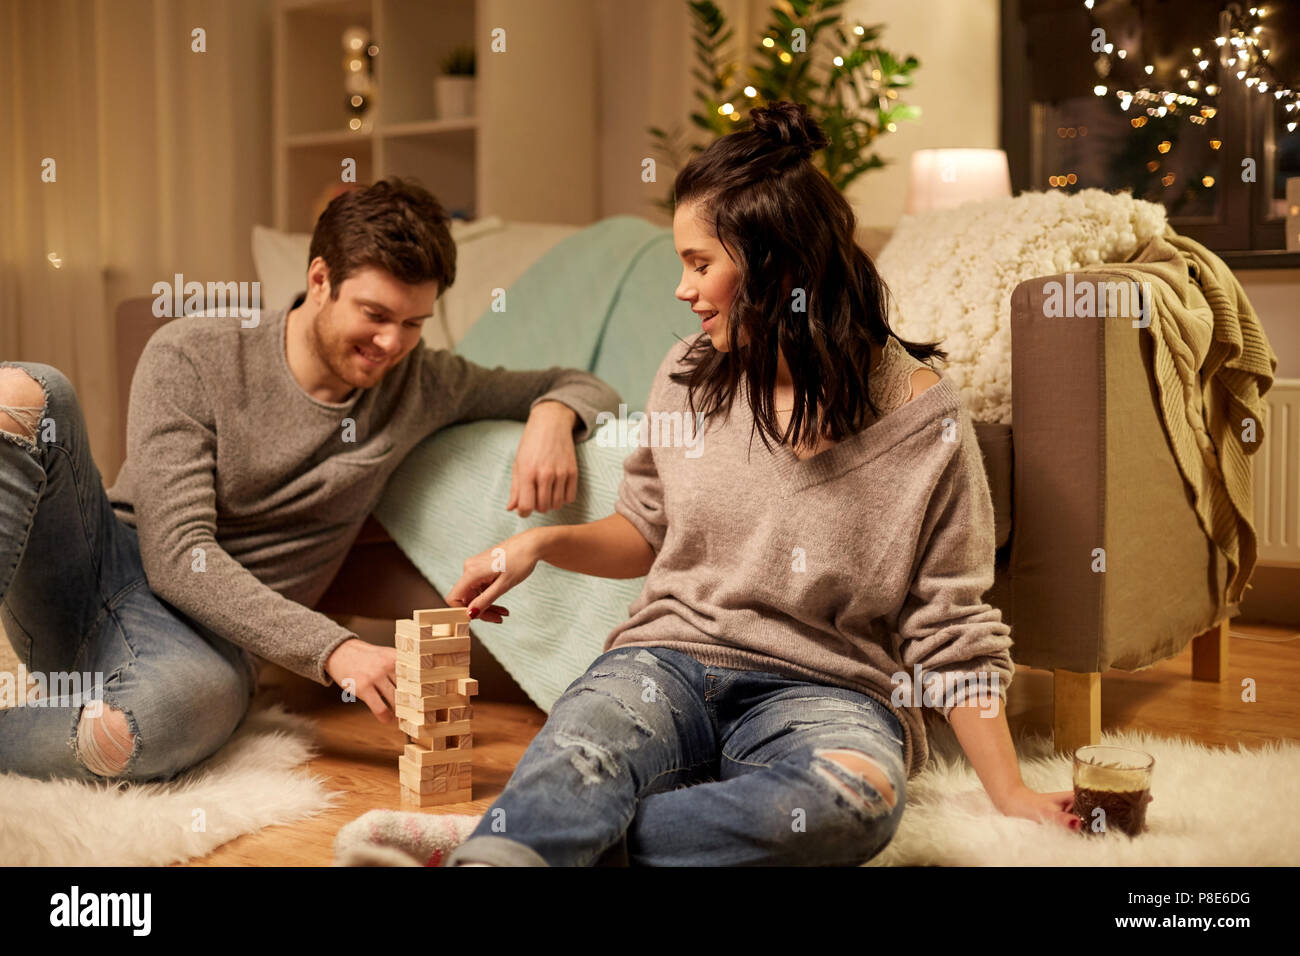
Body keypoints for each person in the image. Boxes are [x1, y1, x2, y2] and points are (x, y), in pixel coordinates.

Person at [440, 102, 1082, 867]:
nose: (682, 289)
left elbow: (951, 627)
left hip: (828, 692)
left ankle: (552, 838)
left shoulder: (922, 418)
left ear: (778, 269)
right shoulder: (687, 374)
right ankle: (529, 840)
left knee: (853, 804)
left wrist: (1011, 792)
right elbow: (644, 531)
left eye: (700, 262)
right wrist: (538, 543)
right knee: (581, 749)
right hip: (663, 663)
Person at [0, 177, 620, 783]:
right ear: (319, 279)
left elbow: (577, 380)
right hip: (101, 567)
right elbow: (176, 556)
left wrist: (552, 415)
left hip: (206, 646)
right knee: (29, 392)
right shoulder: (192, 352)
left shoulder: (423, 384)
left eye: (413, 323)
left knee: (144, 727)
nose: (391, 343)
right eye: (375, 314)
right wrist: (334, 649)